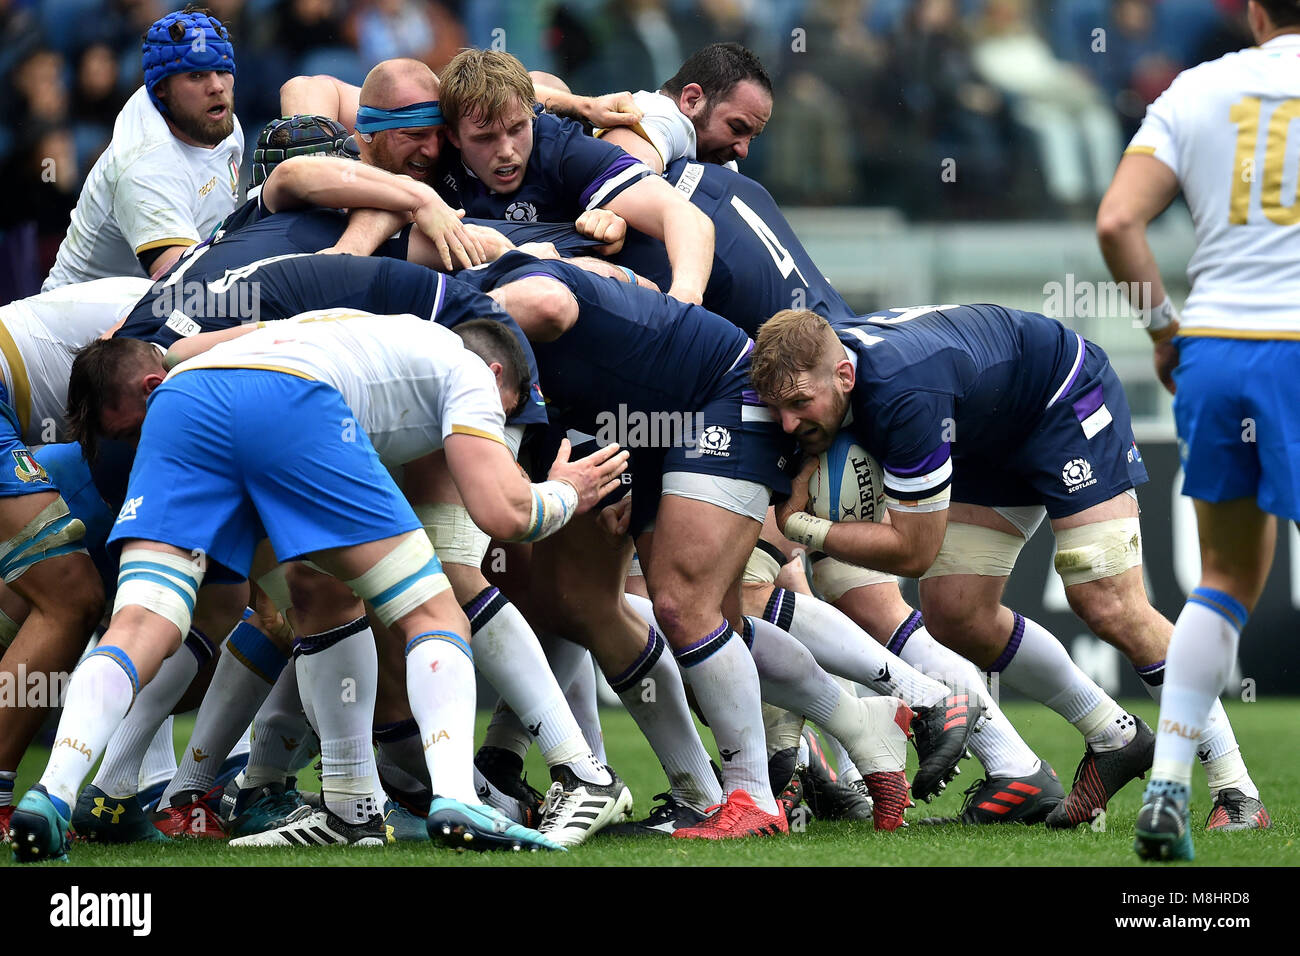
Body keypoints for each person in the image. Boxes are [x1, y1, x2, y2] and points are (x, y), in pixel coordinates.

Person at [9, 312, 626, 861]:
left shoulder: (327, 326)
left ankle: (56, 790)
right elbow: (506, 514)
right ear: (500, 377)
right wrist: (569, 490)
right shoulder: (468, 372)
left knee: (147, 623)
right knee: (433, 610)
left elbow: (190, 353)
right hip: (293, 401)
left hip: (184, 399)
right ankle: (457, 798)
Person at [749, 303, 1261, 831]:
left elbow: (913, 552)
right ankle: (1115, 736)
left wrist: (803, 527)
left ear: (845, 375)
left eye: (798, 404)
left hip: (1061, 399)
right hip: (984, 434)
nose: (788, 423)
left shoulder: (903, 396)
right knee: (955, 614)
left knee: (1110, 603)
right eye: (778, 409)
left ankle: (1236, 788)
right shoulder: (836, 371)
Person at [1096, 0, 1294, 860]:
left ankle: (1172, 785)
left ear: (1255, 13)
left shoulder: (1196, 87)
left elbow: (1116, 222)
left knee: (1220, 582)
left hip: (1216, 351)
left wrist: (1164, 330)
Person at [0, 277, 151, 836]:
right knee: (71, 598)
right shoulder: (175, 318)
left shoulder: (193, 296)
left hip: (20, 422)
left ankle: (131, 788)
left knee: (31, 597)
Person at [434, 49, 715, 304]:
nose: (507, 151)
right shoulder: (430, 152)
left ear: (532, 114)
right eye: (485, 138)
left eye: (517, 128)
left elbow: (684, 216)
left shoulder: (560, 146)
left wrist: (684, 302)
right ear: (453, 136)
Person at [42, 7, 244, 289]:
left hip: (148, 304)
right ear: (161, 89)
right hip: (80, 320)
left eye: (222, 70)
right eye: (196, 76)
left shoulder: (220, 121)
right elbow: (185, 287)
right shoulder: (144, 166)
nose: (216, 86)